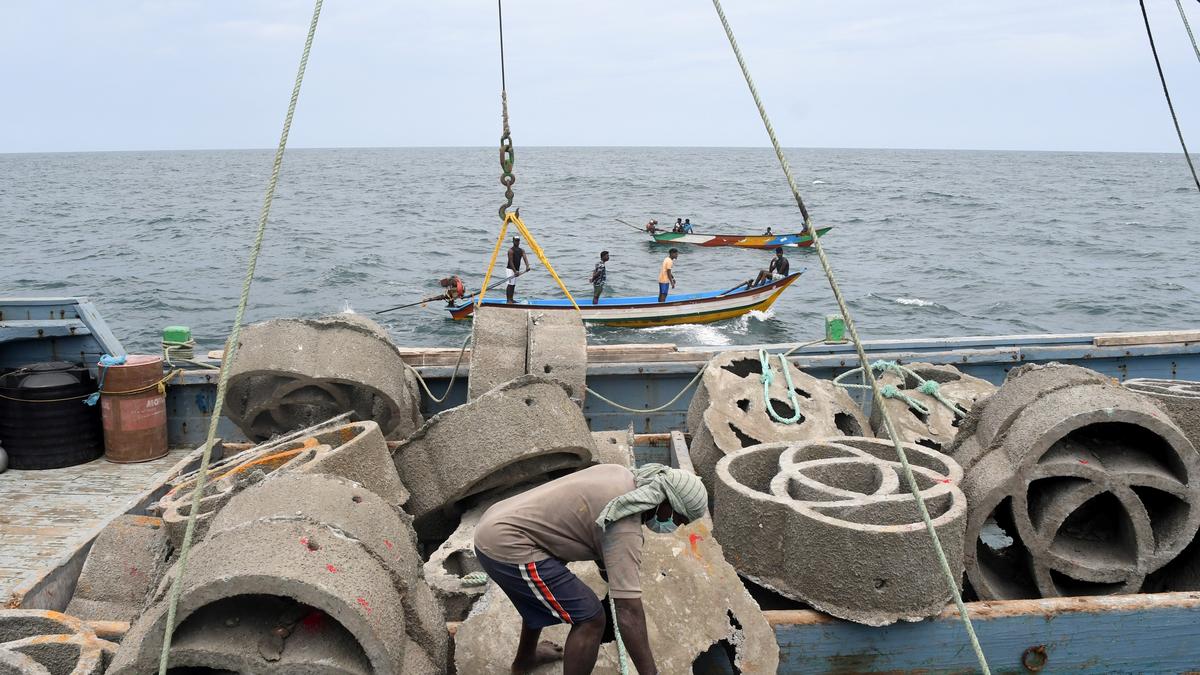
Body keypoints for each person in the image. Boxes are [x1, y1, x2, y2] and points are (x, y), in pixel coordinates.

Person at [473, 463, 708, 675]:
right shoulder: (625, 526)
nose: (675, 527)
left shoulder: (622, 476)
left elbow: (595, 526)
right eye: (678, 519)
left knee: (545, 593)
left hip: (501, 518)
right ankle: (526, 662)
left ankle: (525, 661)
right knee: (591, 618)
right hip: (506, 544)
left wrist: (610, 573)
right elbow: (629, 613)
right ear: (666, 503)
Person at [506, 236, 531, 304]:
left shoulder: (521, 250)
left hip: (516, 270)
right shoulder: (510, 250)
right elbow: (510, 262)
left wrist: (527, 266)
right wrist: (515, 271)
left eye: (518, 240)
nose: (517, 242)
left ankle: (511, 299)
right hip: (510, 269)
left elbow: (525, 258)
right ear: (513, 241)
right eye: (516, 240)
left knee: (513, 284)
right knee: (510, 284)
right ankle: (508, 300)